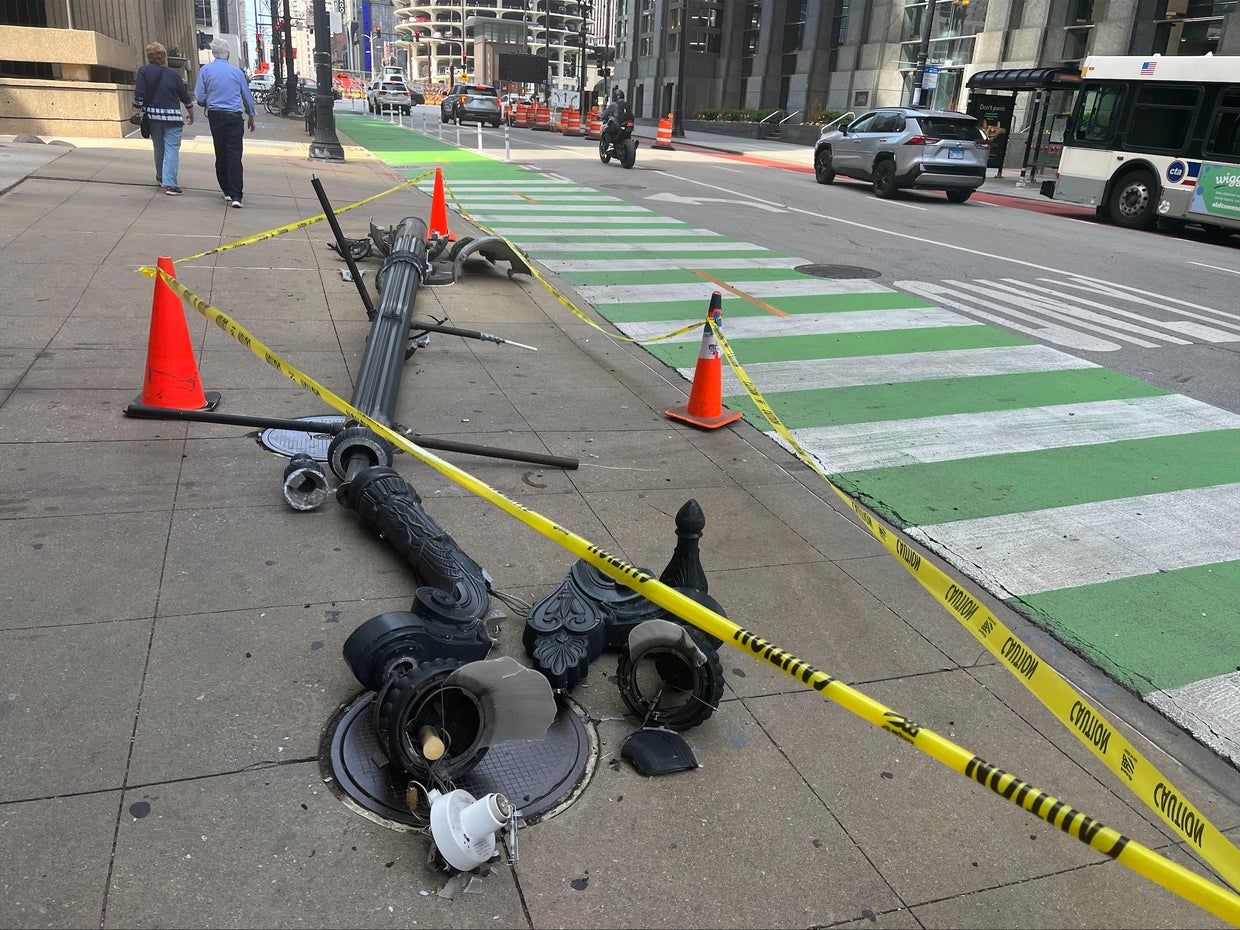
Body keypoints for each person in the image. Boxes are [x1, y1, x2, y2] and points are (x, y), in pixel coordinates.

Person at [194, 38, 257, 209]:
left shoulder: (205, 70)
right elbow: (247, 97)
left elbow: (199, 95)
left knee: (220, 152)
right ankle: (237, 194)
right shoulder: (236, 72)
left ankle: (226, 190)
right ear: (228, 54)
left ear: (213, 53)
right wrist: (251, 116)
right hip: (234, 116)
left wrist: (209, 100)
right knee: (234, 154)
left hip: (215, 115)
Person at [132, 42, 194, 196]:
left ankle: (161, 177)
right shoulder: (173, 74)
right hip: (173, 118)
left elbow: (139, 93)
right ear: (164, 57)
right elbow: (184, 96)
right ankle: (171, 184)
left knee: (158, 147)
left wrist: (136, 111)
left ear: (149, 56)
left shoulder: (144, 71)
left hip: (153, 117)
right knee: (172, 149)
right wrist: (190, 112)